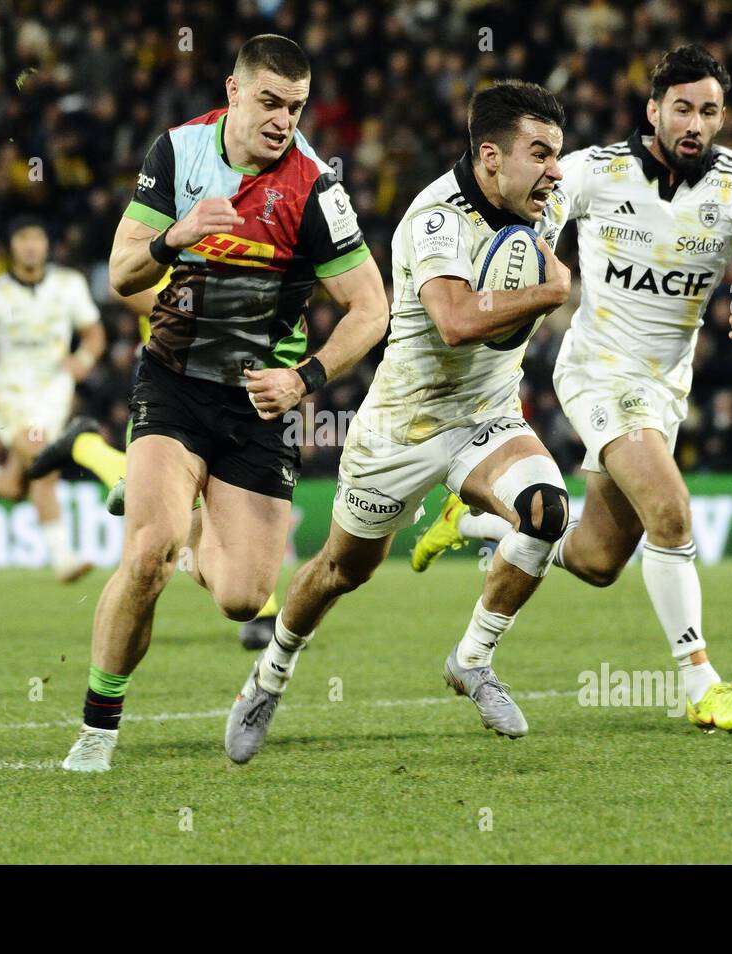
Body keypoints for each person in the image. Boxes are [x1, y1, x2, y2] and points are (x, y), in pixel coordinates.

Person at [421, 45, 732, 734]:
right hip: (596, 372)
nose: (696, 122)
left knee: (595, 560)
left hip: (664, 390)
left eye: (709, 111)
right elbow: (524, 230)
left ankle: (474, 519)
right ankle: (702, 683)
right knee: (671, 512)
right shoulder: (593, 171)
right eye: (682, 107)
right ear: (654, 111)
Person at [58, 34, 387, 772]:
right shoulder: (176, 154)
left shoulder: (315, 188)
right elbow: (118, 274)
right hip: (174, 383)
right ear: (234, 92)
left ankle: (180, 509)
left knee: (243, 600)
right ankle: (98, 728)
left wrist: (306, 378)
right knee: (147, 554)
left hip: (259, 406)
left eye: (296, 107)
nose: (282, 120)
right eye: (270, 101)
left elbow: (371, 309)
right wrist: (177, 235)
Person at [223, 79, 573, 763]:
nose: (555, 170)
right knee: (340, 572)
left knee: (546, 511)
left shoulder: (548, 197)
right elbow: (454, 322)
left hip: (486, 416)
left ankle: (471, 659)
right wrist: (552, 290)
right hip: (400, 428)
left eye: (558, 154)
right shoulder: (434, 217)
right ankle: (269, 676)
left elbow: (606, 174)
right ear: (491, 156)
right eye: (541, 153)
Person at [27, 269, 284, 648]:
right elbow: (122, 281)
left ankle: (84, 446)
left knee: (211, 494)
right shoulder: (169, 227)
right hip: (171, 384)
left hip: (232, 382)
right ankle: (263, 613)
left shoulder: (244, 233)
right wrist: (198, 316)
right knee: (181, 499)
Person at [0, 214, 102, 583]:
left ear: (48, 245)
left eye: (37, 238)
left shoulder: (69, 285)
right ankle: (63, 556)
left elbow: (94, 333)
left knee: (18, 488)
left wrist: (83, 360)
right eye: (22, 239)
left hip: (54, 397)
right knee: (41, 459)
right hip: (10, 400)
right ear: (11, 247)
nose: (31, 245)